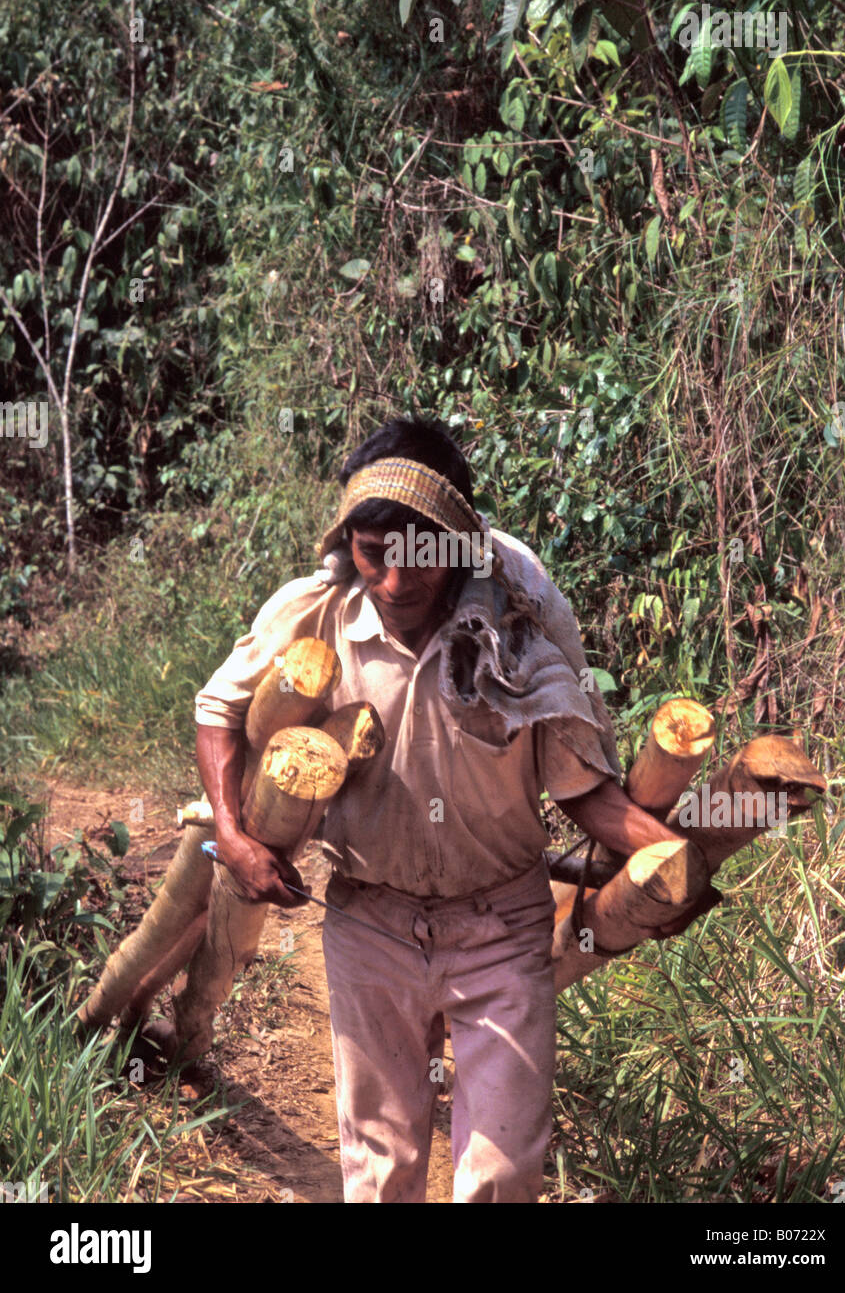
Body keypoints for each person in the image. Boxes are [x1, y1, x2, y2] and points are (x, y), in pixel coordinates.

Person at [193, 416, 679, 1203]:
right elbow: (217, 709)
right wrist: (230, 830)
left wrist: (669, 866)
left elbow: (585, 792)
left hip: (500, 931)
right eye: (372, 556)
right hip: (369, 923)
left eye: (419, 556)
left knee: (502, 1173)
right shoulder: (313, 620)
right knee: (380, 1169)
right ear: (349, 541)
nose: (394, 583)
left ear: (458, 543)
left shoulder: (514, 637)